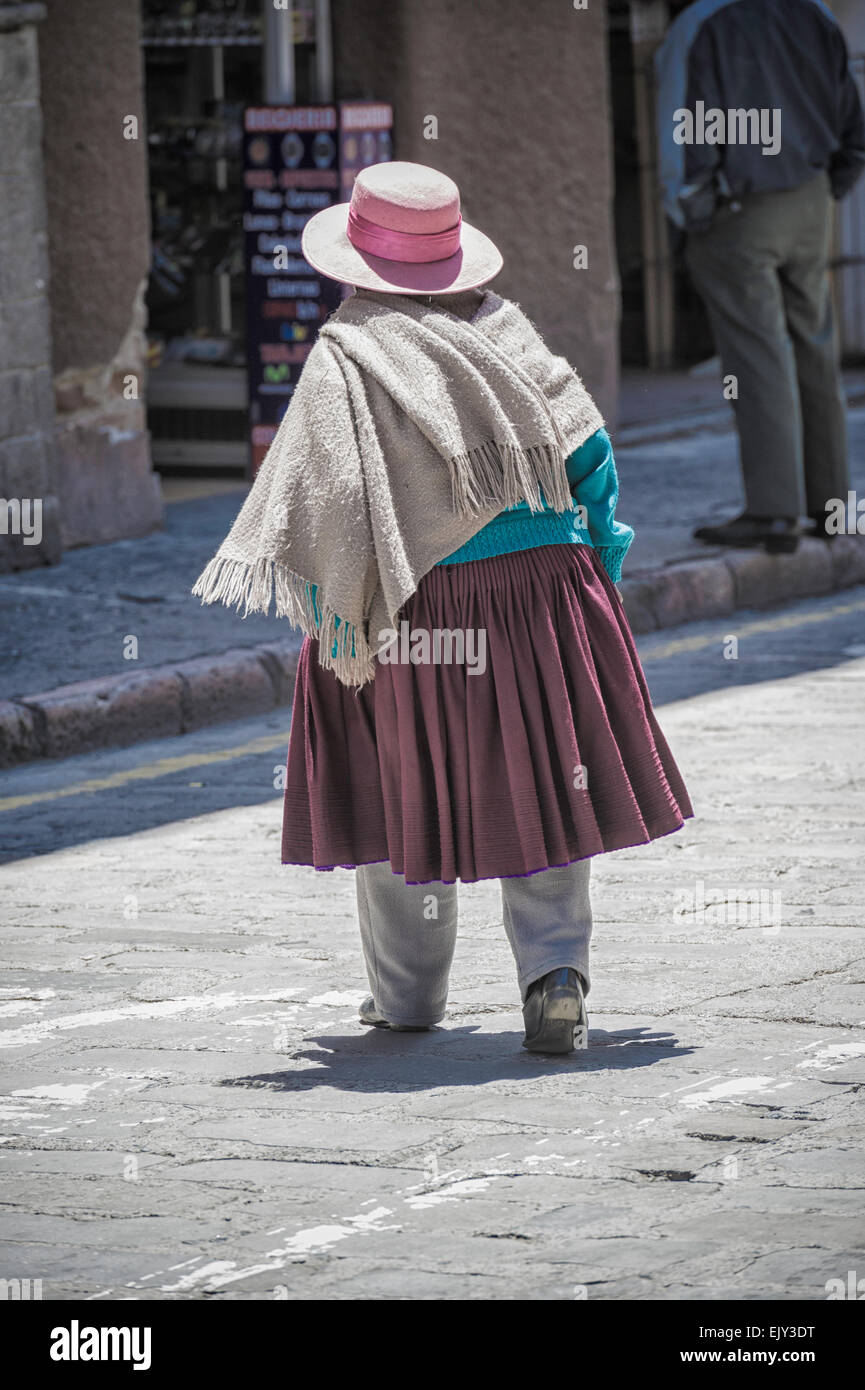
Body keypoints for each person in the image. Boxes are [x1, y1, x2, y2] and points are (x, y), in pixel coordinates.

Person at [193, 161, 692, 1055]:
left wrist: (336, 607)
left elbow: (318, 503)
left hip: (409, 610)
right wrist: (597, 575)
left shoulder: (345, 357)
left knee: (398, 788)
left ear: (353, 266)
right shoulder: (511, 337)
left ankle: (406, 999)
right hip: (541, 593)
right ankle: (555, 980)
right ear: (458, 262)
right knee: (546, 781)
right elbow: (593, 467)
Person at [655, 0, 865, 553]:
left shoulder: (700, 23)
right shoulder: (815, 13)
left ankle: (775, 512)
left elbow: (681, 127)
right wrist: (829, 186)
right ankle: (831, 507)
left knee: (757, 355)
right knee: (813, 345)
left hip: (740, 206)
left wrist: (692, 212)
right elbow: (851, 115)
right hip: (810, 197)